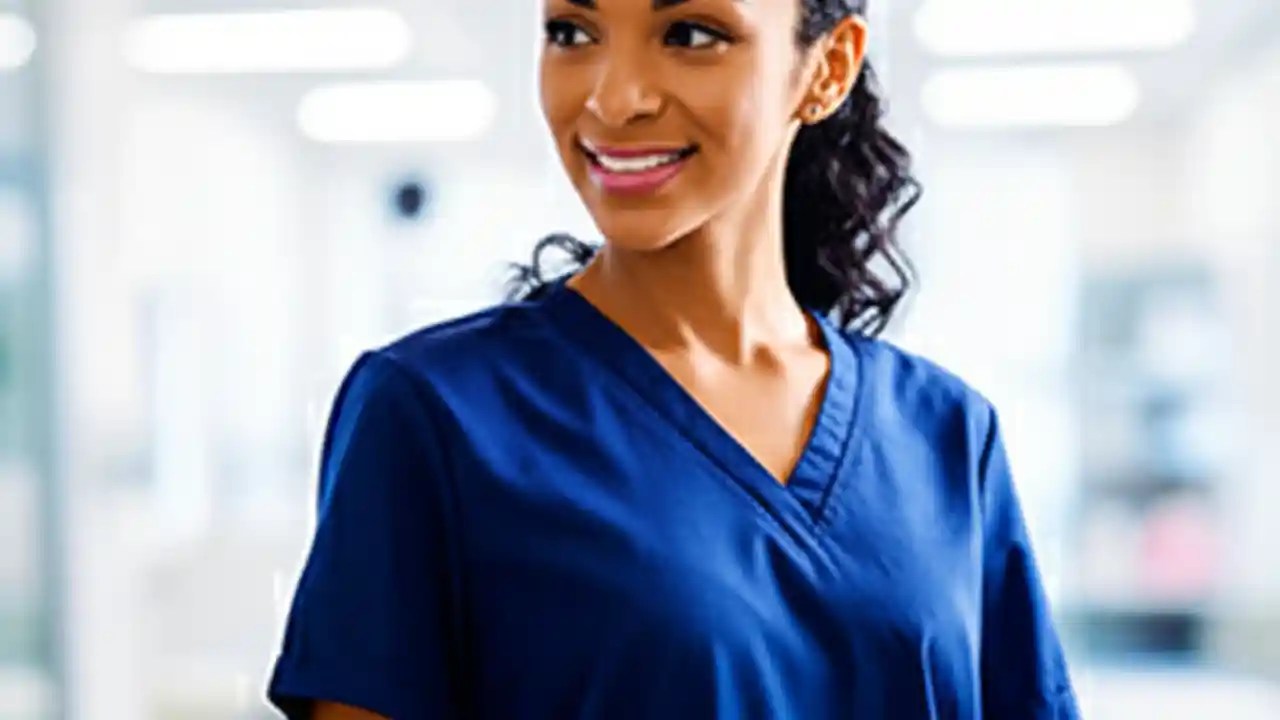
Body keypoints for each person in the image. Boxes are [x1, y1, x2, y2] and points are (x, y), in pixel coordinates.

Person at [266, 0, 1081, 718]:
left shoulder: (946, 435)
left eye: (690, 33)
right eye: (573, 31)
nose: (612, 98)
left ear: (826, 68)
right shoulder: (434, 416)